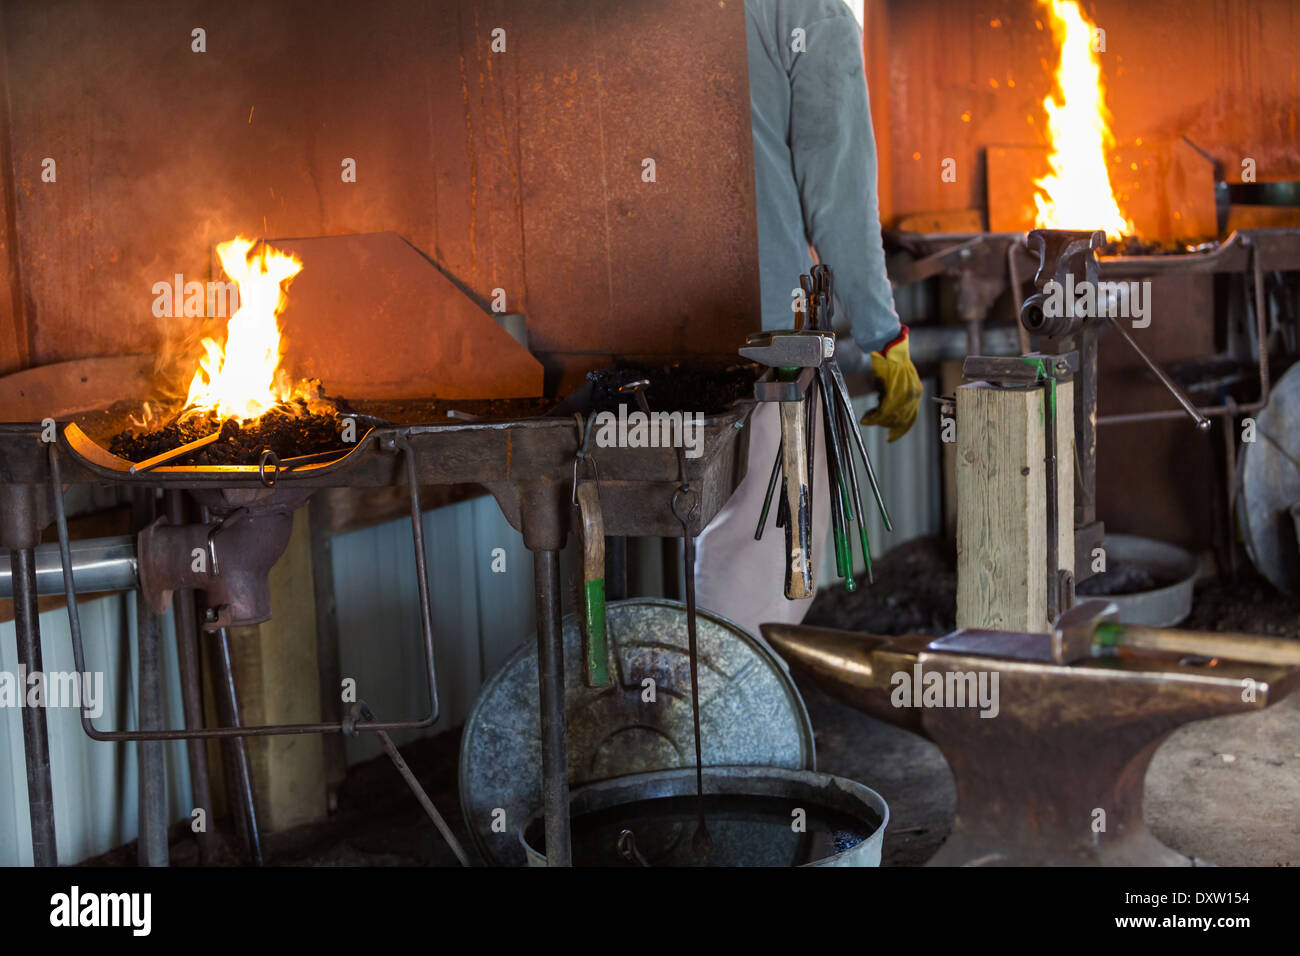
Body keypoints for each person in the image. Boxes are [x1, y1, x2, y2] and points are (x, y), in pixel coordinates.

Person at [695, 0, 922, 640]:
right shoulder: (809, 10)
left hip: (606, 332)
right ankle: (730, 712)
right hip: (759, 336)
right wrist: (885, 336)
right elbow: (839, 200)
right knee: (766, 541)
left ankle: (668, 704)